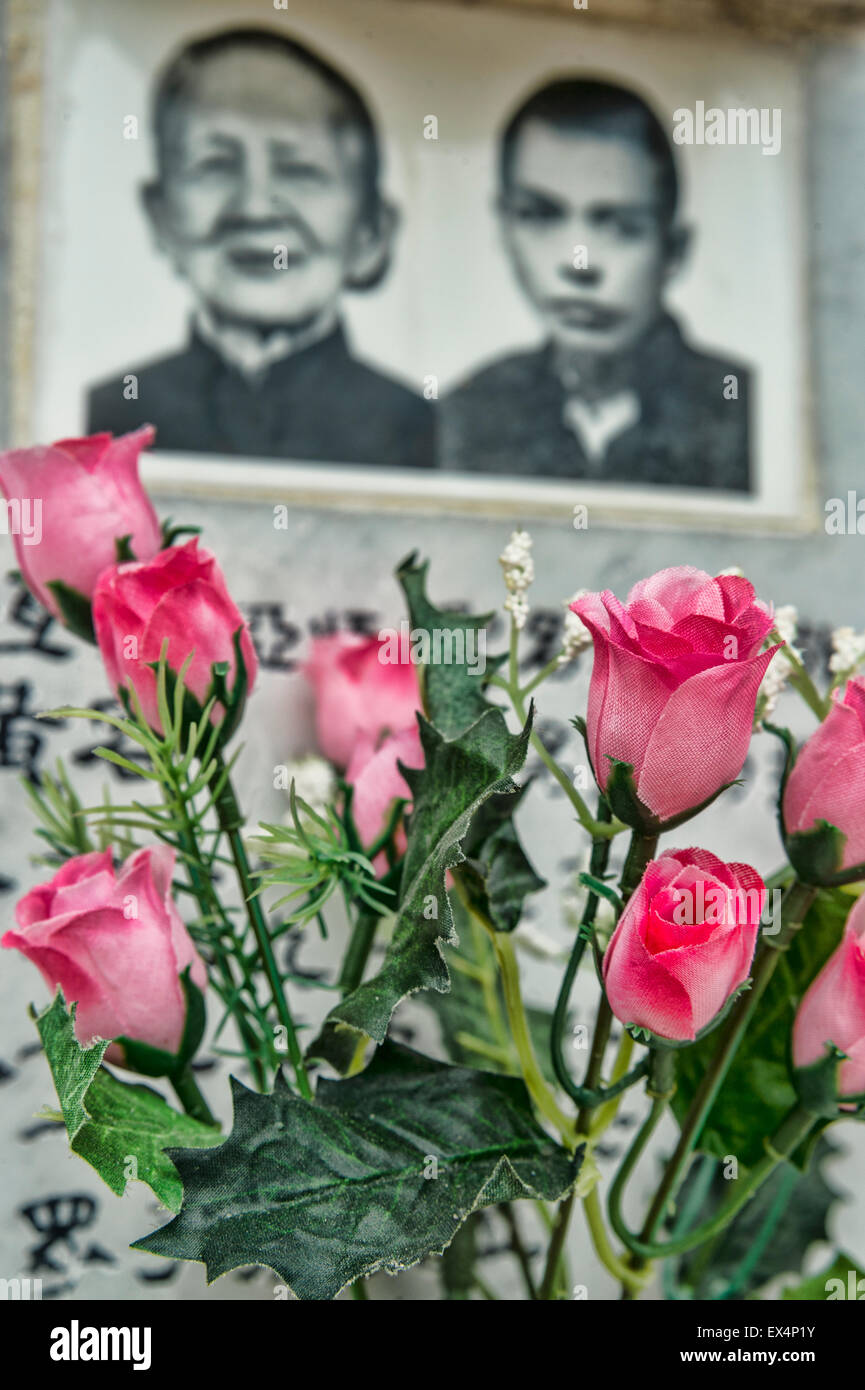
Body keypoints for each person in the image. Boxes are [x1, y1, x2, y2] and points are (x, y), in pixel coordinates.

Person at [87, 27, 434, 468]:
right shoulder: (114, 413)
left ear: (370, 229)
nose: (254, 208)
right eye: (215, 165)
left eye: (300, 170)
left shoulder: (412, 423)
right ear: (160, 216)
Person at [442, 78, 752, 490]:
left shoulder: (746, 412)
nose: (578, 263)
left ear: (674, 251)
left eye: (623, 227)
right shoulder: (468, 413)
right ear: (504, 228)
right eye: (539, 215)